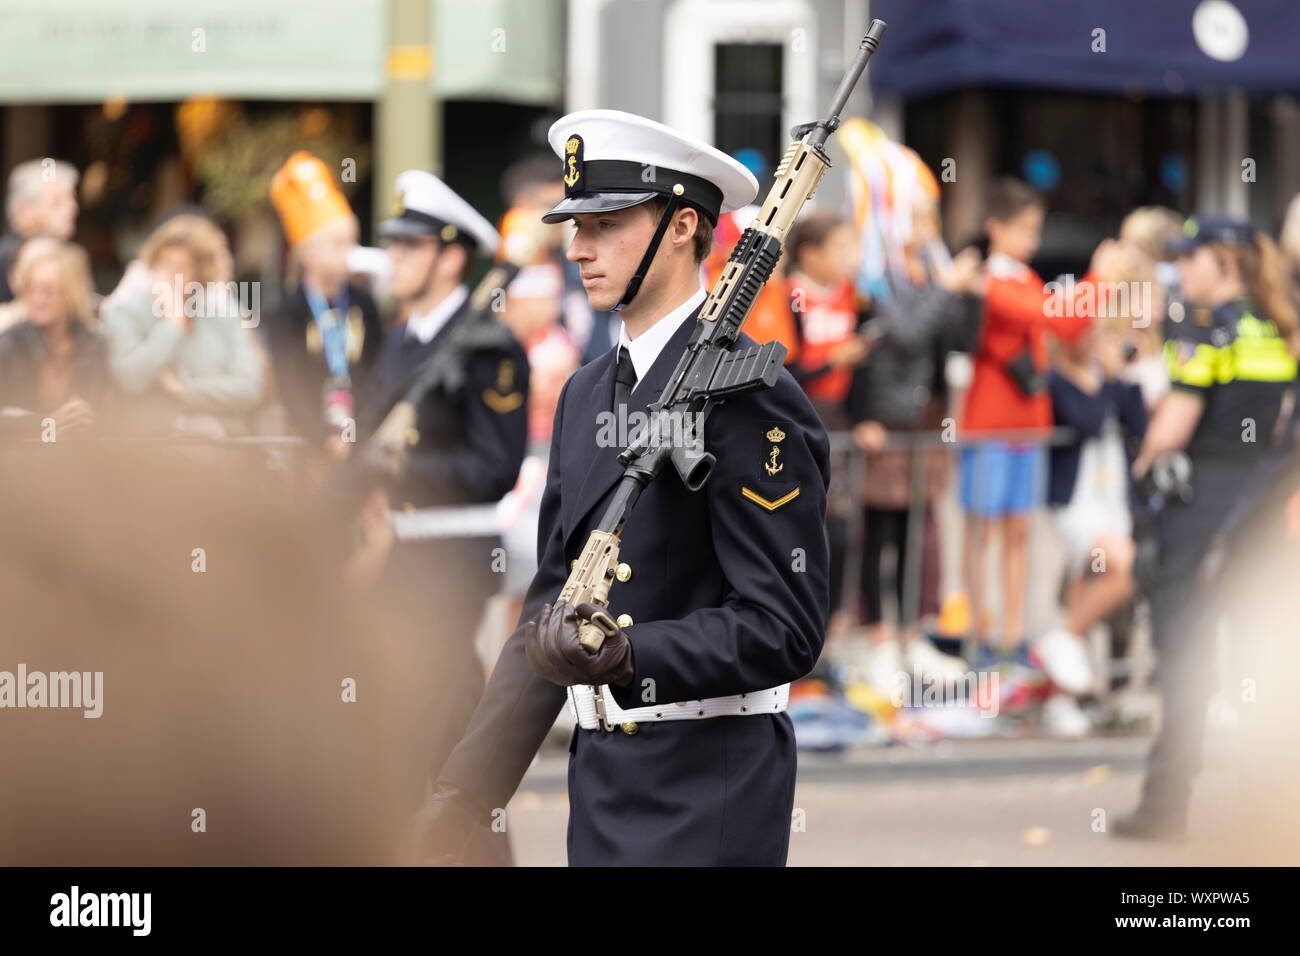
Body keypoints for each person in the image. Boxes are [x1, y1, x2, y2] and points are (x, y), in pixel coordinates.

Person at [412, 108, 830, 866]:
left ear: (683, 226)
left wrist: (631, 652)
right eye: (576, 225)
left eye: (605, 224)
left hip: (714, 788)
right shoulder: (584, 395)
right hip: (603, 789)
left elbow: (785, 626)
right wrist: (461, 798)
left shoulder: (752, 397)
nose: (577, 248)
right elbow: (549, 613)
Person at [352, 169, 529, 829]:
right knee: (446, 758)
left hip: (447, 566)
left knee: (426, 751)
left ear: (452, 256)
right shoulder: (400, 339)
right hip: (384, 563)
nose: (394, 257)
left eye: (411, 246)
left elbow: (494, 467)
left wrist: (399, 469)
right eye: (393, 245)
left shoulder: (489, 345)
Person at [1115, 213, 1298, 840]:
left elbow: (1171, 429)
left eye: (1190, 258)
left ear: (1223, 262)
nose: (1180, 269)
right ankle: (1261, 809)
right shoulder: (1276, 330)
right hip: (1258, 510)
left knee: (1185, 660)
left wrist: (1142, 465)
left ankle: (1166, 805)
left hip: (1197, 512)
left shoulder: (1204, 334)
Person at [958, 177, 1112, 669]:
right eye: (1023, 229)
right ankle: (979, 629)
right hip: (989, 422)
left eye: (1035, 229)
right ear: (994, 227)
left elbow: (1065, 323)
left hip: (1026, 422)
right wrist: (1100, 278)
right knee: (983, 530)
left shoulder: (1022, 278)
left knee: (1019, 530)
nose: (1032, 240)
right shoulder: (987, 279)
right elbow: (1055, 315)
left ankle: (1010, 632)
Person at [846, 196, 982, 689]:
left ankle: (911, 633)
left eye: (929, 222)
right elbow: (905, 333)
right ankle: (878, 637)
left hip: (924, 420)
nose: (924, 233)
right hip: (885, 420)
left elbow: (963, 339)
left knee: (914, 533)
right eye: (916, 222)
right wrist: (947, 289)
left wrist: (970, 294)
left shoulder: (933, 276)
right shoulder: (877, 278)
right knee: (876, 532)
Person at [1041, 321, 1148, 737]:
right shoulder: (1057, 380)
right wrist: (1107, 382)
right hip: (1077, 505)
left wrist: (1122, 377)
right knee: (1125, 567)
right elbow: (1085, 419)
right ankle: (1063, 640)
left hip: (1113, 501)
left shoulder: (1108, 378)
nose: (1093, 342)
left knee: (1086, 588)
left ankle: (1064, 698)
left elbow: (1139, 424)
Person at [784, 209, 873, 640]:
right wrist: (835, 360)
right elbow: (784, 369)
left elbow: (864, 370)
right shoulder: (787, 296)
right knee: (796, 525)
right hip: (797, 418)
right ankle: (792, 621)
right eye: (840, 247)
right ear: (810, 253)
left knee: (840, 528)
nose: (849, 256)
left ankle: (831, 621)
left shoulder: (853, 297)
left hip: (838, 420)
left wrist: (865, 417)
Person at [100, 214, 264, 436]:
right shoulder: (126, 310)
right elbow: (130, 379)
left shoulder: (226, 313)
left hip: (222, 445)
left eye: (183, 267)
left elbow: (250, 387)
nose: (171, 275)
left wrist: (185, 392)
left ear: (201, 273)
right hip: (151, 446)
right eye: (165, 264)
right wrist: (172, 325)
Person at [266, 152, 383, 455]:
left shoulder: (363, 303)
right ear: (307, 254)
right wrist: (322, 439)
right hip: (308, 445)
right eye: (336, 245)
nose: (348, 253)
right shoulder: (287, 312)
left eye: (351, 242)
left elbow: (376, 369)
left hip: (362, 439)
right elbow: (289, 385)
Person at [0, 238, 105, 439]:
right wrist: (47, 423)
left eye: (49, 292)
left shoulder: (93, 343)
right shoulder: (8, 345)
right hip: (22, 459)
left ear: (72, 293)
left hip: (81, 455)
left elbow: (107, 413)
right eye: (31, 289)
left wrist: (86, 420)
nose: (38, 300)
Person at [1, 159, 79, 304]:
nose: (73, 208)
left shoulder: (63, 253)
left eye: (72, 199)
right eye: (57, 201)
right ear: (24, 209)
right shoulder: (10, 258)